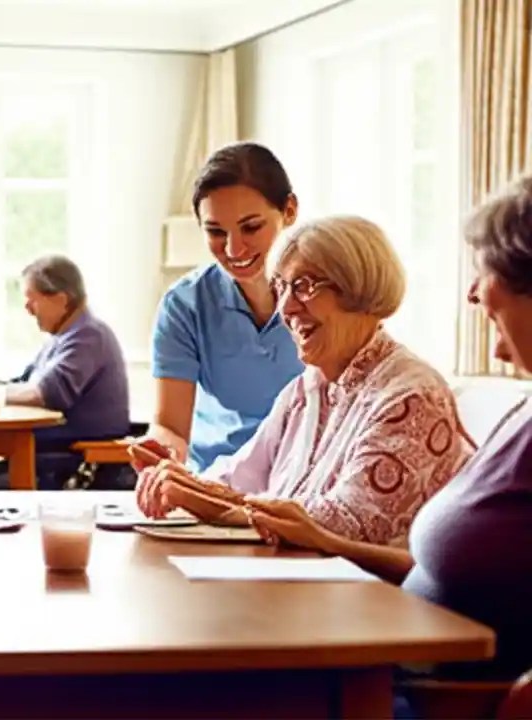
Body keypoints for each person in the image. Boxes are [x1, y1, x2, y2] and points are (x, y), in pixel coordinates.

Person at [244, 177, 532, 695]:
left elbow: (346, 519)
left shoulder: (408, 391)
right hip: (388, 663)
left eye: (487, 271)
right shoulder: (523, 413)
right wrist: (327, 542)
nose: (474, 292)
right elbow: (416, 566)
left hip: (432, 695)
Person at [136, 215, 472, 548]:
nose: (286, 307)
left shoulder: (411, 397)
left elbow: (345, 524)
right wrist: (174, 480)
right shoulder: (308, 388)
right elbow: (237, 479)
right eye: (281, 288)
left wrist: (206, 500)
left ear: (359, 289)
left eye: (304, 286)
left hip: (361, 584)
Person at [144, 142, 305, 471]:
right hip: (216, 479)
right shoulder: (185, 305)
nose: (233, 249)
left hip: (304, 481)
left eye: (251, 227)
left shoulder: (329, 296)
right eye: (216, 232)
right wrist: (163, 453)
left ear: (289, 211)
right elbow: (170, 429)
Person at [0, 254, 130, 490]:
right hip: (54, 455)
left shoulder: (89, 336)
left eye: (32, 300)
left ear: (61, 299)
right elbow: (26, 383)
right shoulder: (65, 336)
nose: (27, 309)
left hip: (77, 464)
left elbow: (48, 393)